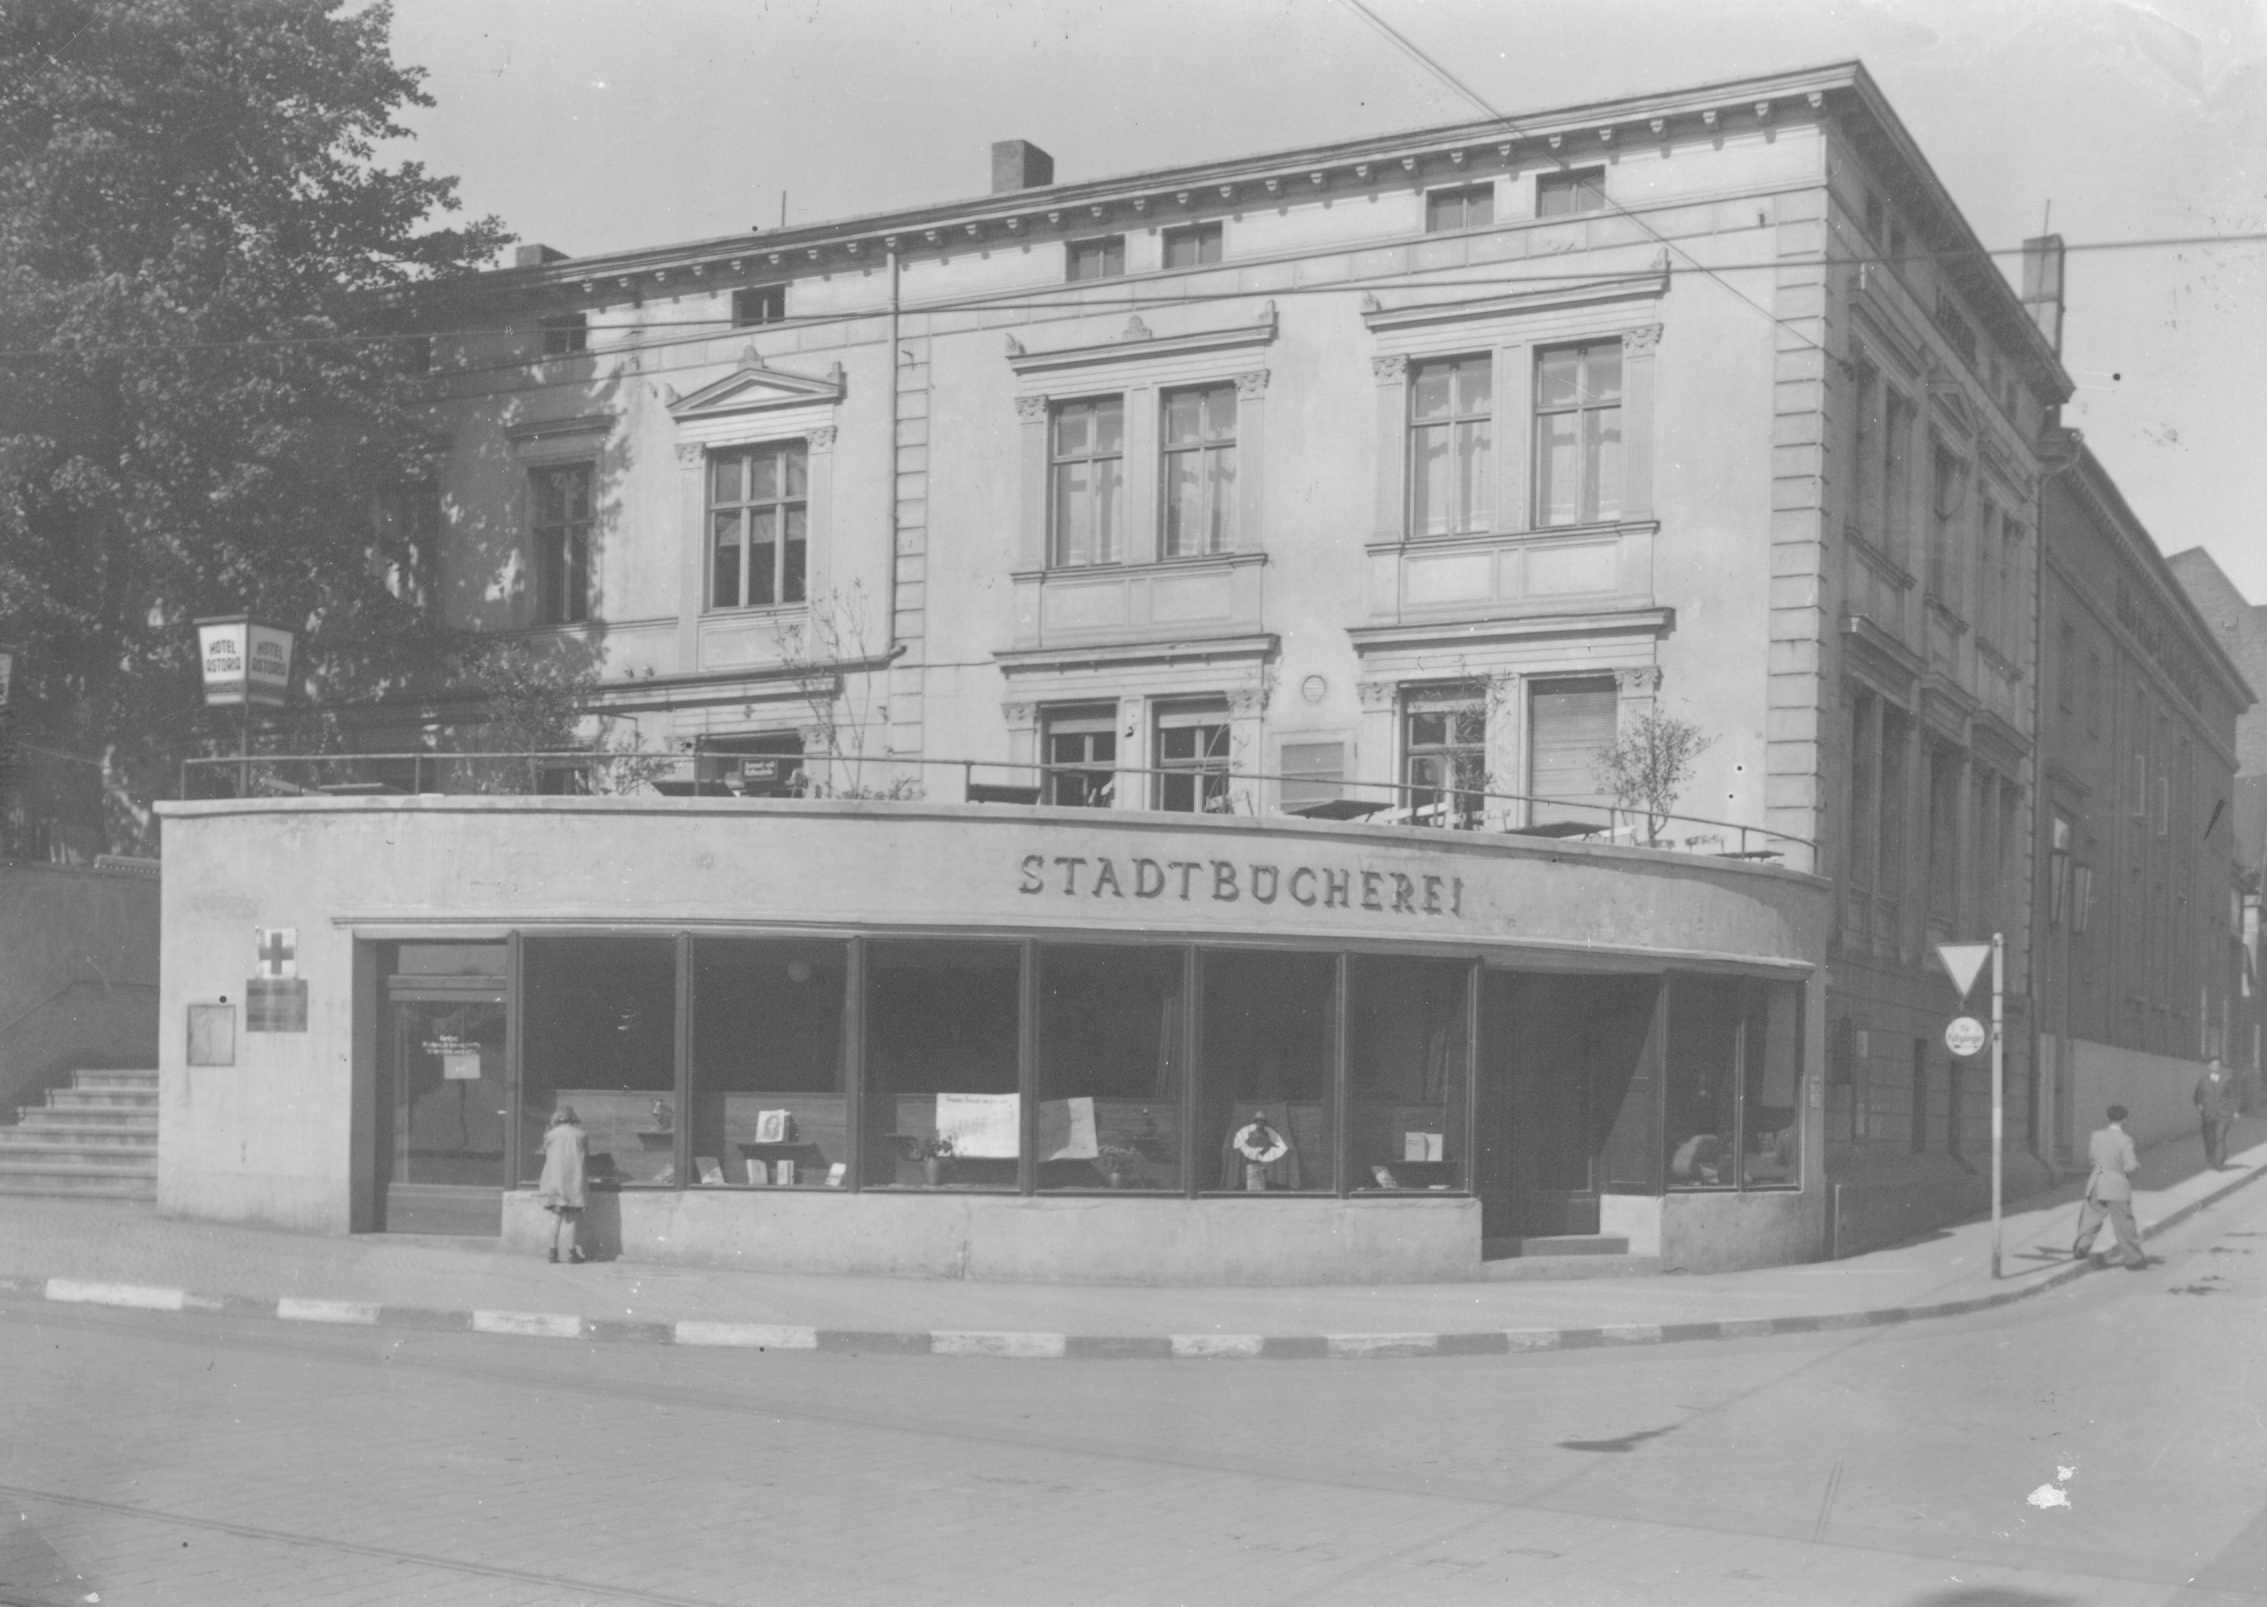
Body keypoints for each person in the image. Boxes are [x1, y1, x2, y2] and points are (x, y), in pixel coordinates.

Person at [2072, 1103, 2144, 1269]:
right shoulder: (2125, 1140)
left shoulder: (2096, 1136)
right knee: (2123, 1223)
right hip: (2116, 1185)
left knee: (2090, 1216)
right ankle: (2133, 1259)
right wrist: (2132, 1169)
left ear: (2107, 1118)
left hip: (2096, 1181)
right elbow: (2130, 1165)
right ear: (2125, 1119)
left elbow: (2092, 1158)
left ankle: (2082, 1246)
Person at [537, 1105, 589, 1264]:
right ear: (573, 1118)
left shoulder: (550, 1135)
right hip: (574, 1180)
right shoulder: (581, 1134)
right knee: (572, 1218)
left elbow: (544, 1152)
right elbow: (586, 1155)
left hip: (555, 1181)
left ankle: (552, 1252)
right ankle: (572, 1253)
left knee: (556, 1216)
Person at [2194, 1056, 2238, 1170]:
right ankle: (2210, 1158)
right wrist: (2199, 1105)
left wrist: (2235, 1111)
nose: (2215, 1067)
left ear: (2220, 1067)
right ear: (2209, 1067)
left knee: (2219, 1137)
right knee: (2209, 1139)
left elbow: (2232, 1097)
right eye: (2213, 1065)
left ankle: (2219, 1162)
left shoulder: (2227, 1080)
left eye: (2217, 1065)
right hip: (2208, 1115)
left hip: (2223, 1114)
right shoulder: (2203, 1080)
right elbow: (2197, 1096)